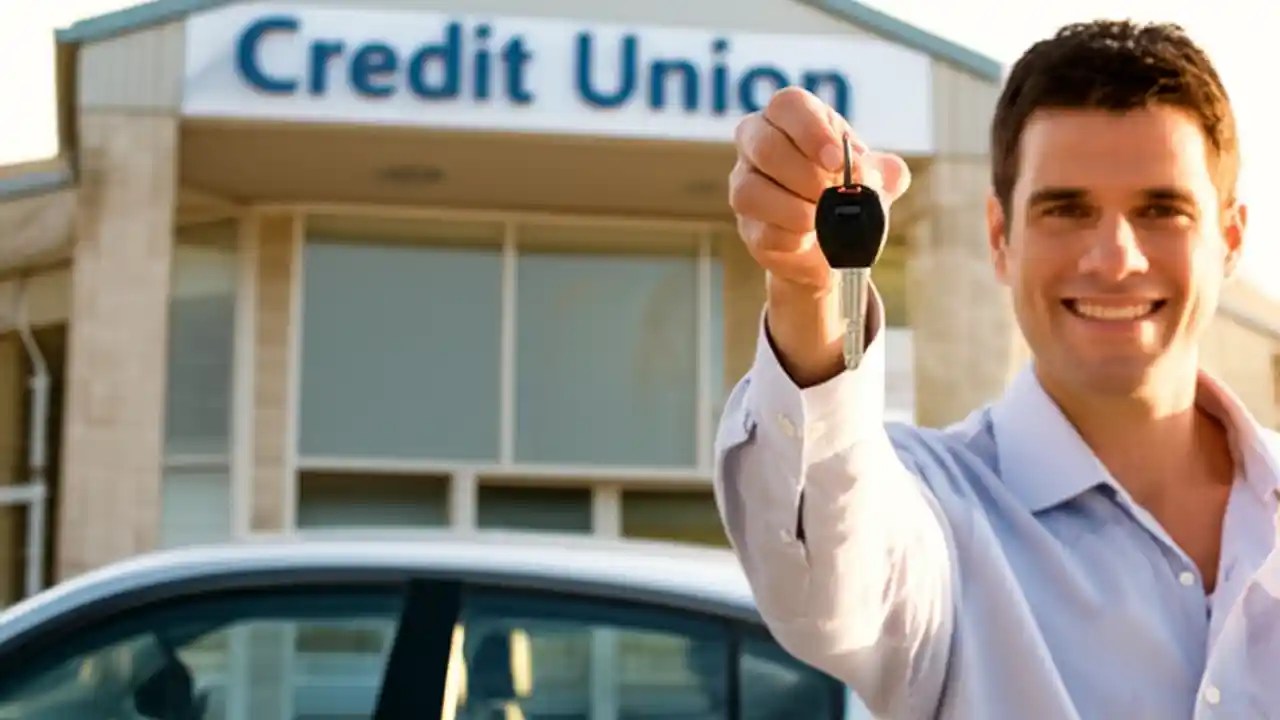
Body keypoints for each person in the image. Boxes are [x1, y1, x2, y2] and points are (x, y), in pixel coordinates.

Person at [714, 18, 1280, 720]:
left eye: (1161, 209)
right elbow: (830, 575)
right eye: (1066, 209)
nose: (1113, 258)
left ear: (1230, 239)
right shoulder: (935, 518)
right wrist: (809, 289)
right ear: (999, 238)